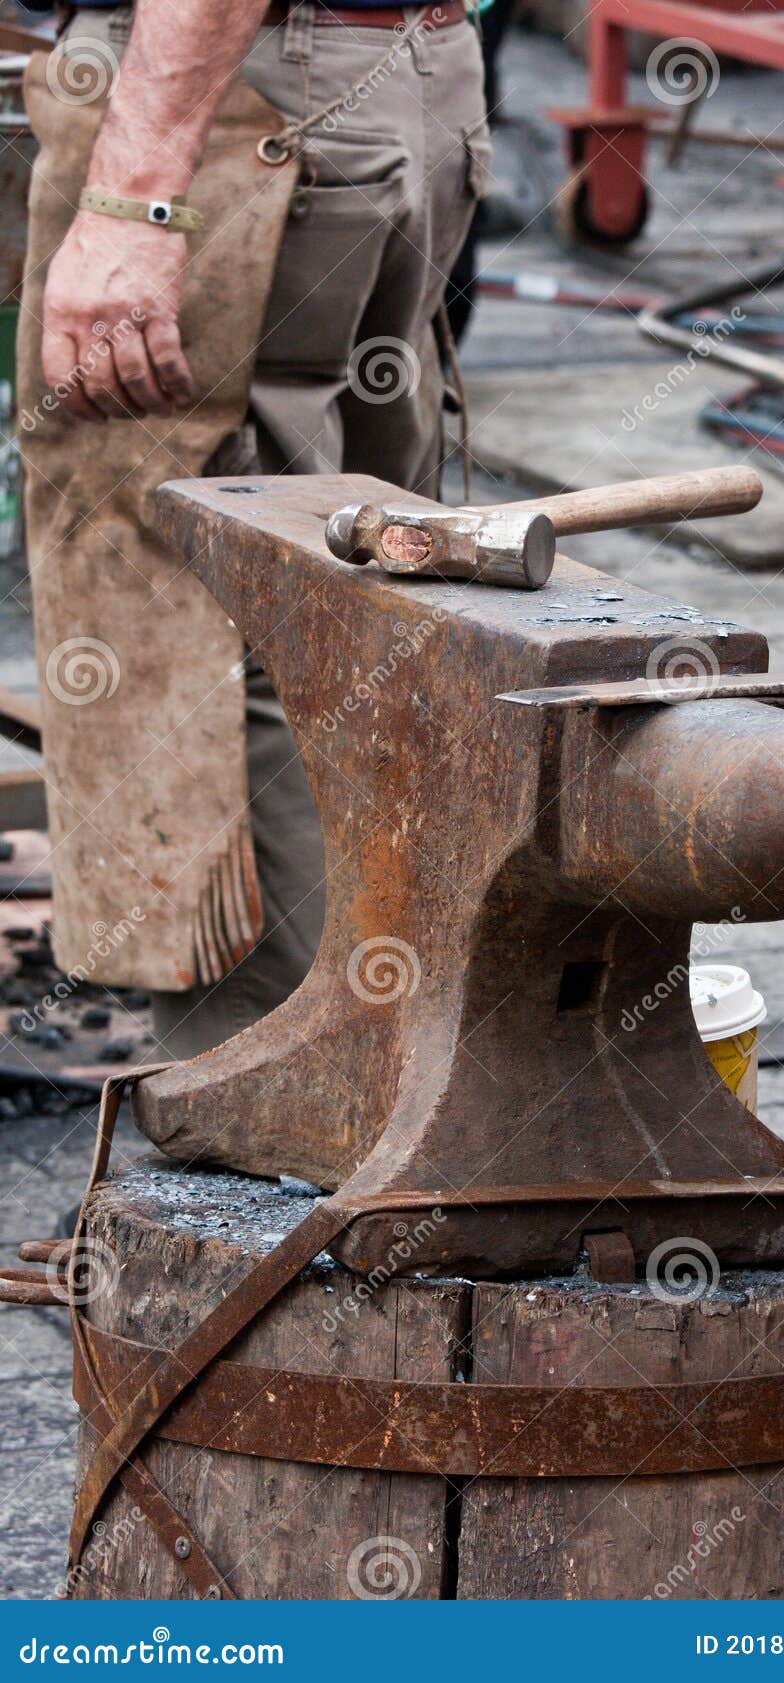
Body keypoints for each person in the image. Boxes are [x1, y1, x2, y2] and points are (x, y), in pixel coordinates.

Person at [18, 0, 489, 1057]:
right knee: (366, 608)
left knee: (219, 626)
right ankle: (403, 1066)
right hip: (397, 70)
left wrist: (136, 199)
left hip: (236, 99)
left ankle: (266, 1098)